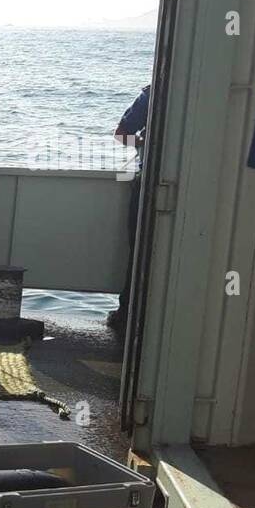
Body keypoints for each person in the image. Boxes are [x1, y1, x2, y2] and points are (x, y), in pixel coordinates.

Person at [109, 83, 150, 329]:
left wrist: (143, 141)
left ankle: (127, 312)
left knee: (137, 249)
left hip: (146, 181)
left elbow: (122, 133)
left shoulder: (149, 95)